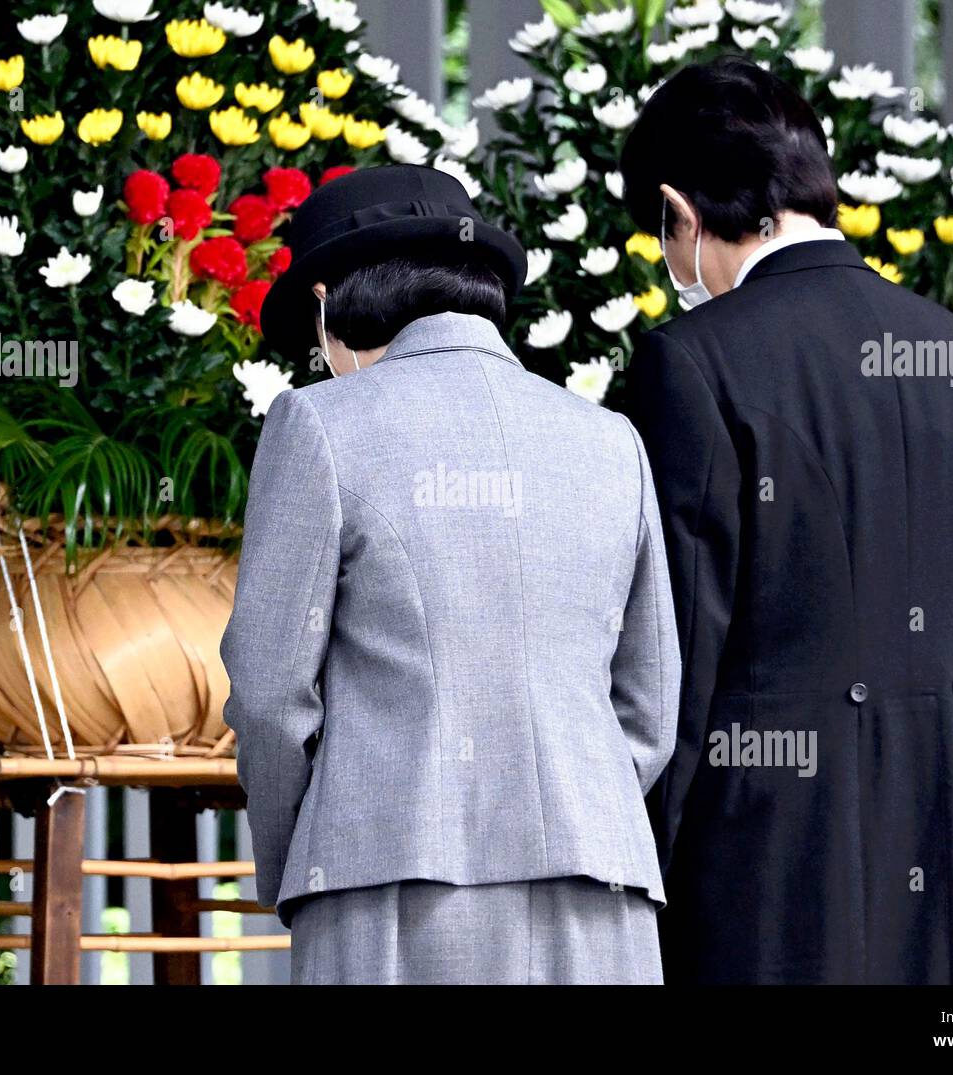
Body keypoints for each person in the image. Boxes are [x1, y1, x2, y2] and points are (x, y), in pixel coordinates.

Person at [620, 57, 953, 984]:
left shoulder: (690, 366)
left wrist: (633, 887)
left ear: (677, 213)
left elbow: (673, 665)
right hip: (948, 875)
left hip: (761, 886)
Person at [219, 165, 681, 985]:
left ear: (326, 301)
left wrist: (310, 851)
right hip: (602, 893)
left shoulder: (319, 424)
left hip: (393, 883)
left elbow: (267, 689)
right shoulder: (612, 440)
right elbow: (649, 705)